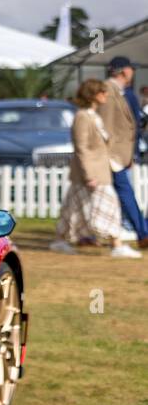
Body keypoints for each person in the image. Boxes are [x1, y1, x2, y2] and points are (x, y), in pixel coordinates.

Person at [51, 79, 140, 259]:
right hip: (92, 173)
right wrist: (89, 174)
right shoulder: (83, 117)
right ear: (93, 95)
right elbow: (82, 147)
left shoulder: (93, 115)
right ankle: (117, 244)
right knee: (111, 205)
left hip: (99, 171)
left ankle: (60, 240)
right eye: (102, 92)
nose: (106, 95)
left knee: (72, 208)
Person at [99, 57, 146, 244]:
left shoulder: (122, 92)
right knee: (124, 192)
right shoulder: (109, 92)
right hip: (113, 155)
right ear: (124, 71)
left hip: (120, 154)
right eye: (130, 69)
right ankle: (142, 233)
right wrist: (112, 154)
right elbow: (107, 125)